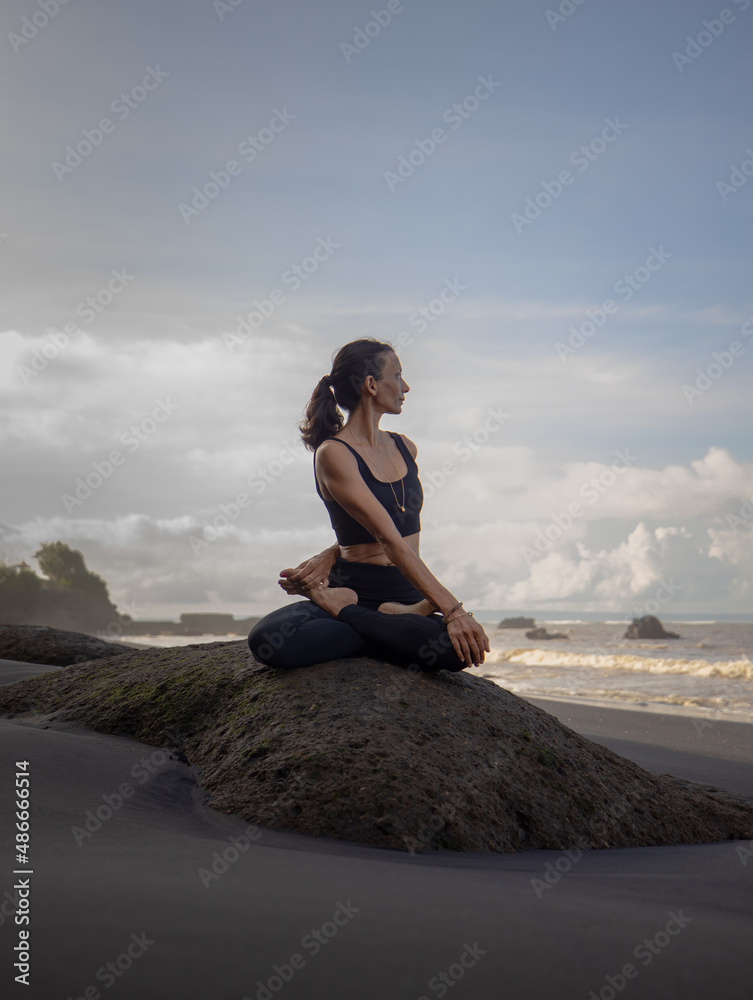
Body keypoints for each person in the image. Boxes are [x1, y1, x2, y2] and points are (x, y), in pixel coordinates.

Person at [247, 338, 490, 672]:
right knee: (269, 639)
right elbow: (389, 539)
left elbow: (392, 525)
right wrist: (454, 611)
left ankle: (353, 616)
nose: (405, 386)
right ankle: (375, 620)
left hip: (406, 590)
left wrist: (330, 551)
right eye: (398, 375)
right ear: (371, 385)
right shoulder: (334, 454)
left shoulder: (406, 447)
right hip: (355, 587)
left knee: (458, 651)